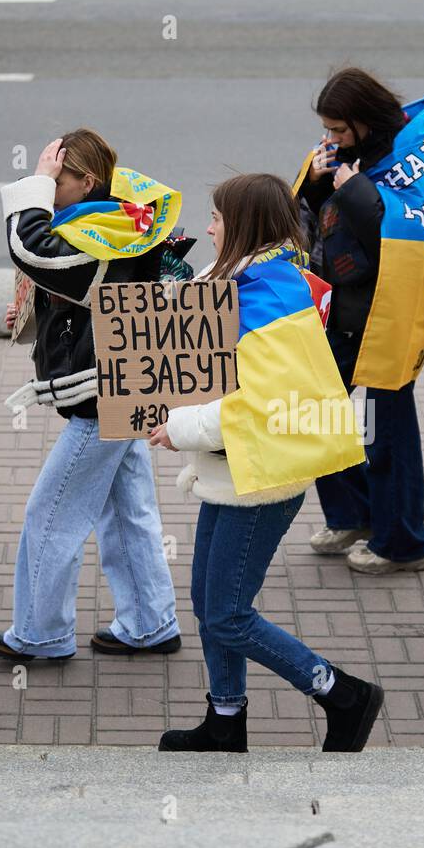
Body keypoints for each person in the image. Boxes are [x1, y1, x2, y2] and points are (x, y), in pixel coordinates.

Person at [149, 173, 383, 753]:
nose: (208, 228)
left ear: (244, 225)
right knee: (209, 604)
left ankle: (341, 693)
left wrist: (179, 428)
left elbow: (255, 404)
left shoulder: (268, 296)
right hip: (236, 472)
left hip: (262, 479)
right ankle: (225, 719)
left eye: (218, 219)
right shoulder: (251, 278)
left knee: (226, 613)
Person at [0, 130, 185, 661]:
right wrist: (32, 321)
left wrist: (33, 185)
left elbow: (32, 250)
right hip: (127, 388)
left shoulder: (105, 232)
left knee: (51, 513)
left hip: (103, 400)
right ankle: (149, 622)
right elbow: (79, 298)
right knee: (127, 512)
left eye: (59, 177)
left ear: (87, 180)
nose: (51, 188)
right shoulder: (113, 223)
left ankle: (42, 633)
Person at [295, 67, 424, 575]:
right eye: (328, 129)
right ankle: (353, 514)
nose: (330, 139)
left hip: (390, 308)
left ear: (363, 121)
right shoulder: (345, 153)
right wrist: (319, 183)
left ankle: (404, 543)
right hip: (339, 304)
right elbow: (313, 219)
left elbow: (405, 227)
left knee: (389, 430)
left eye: (339, 130)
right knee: (311, 409)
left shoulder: (414, 150)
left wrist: (355, 187)